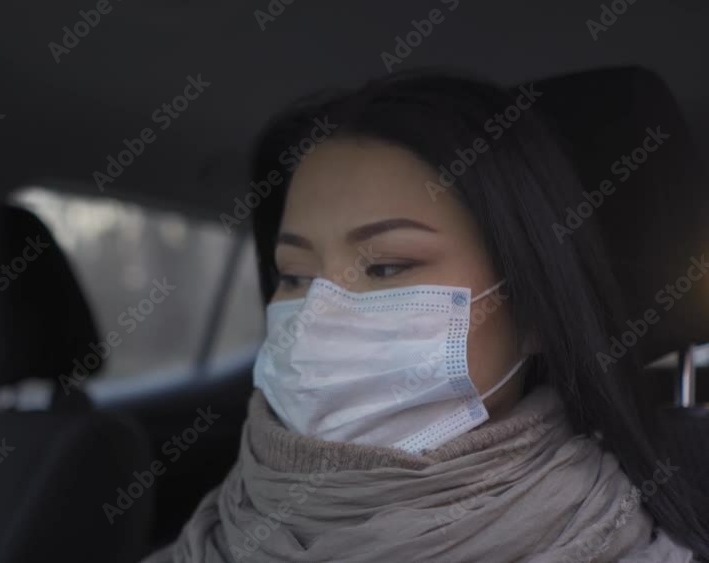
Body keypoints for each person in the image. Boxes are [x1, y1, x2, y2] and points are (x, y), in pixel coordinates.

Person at [144, 71, 709, 562]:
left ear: (533, 306)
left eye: (386, 268)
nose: (319, 314)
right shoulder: (204, 536)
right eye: (294, 276)